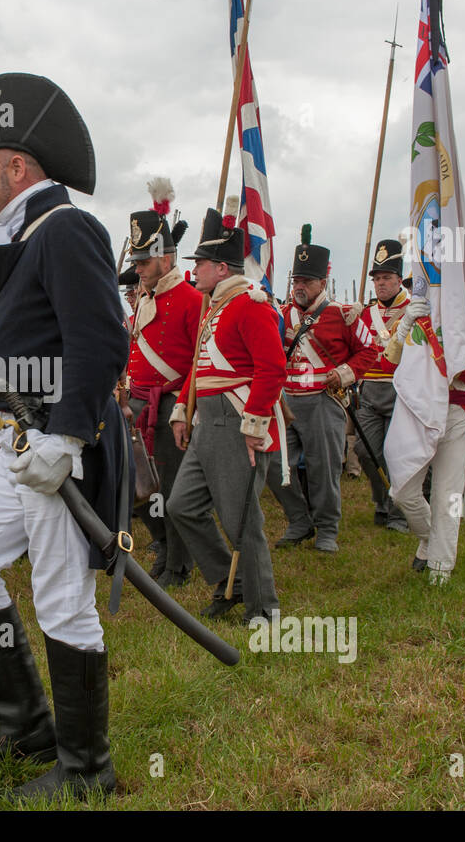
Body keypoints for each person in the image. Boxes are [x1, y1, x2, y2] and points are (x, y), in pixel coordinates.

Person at [0, 73, 127, 799]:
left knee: (62, 598)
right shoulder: (29, 237)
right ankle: (29, 728)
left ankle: (86, 771)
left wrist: (68, 438)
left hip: (53, 447)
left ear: (19, 167)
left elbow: (101, 340)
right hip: (19, 448)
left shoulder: (66, 229)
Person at [167, 208, 283, 622]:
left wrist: (254, 423)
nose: (193, 270)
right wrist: (184, 408)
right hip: (206, 423)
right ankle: (226, 580)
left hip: (236, 421)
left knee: (242, 521)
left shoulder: (249, 305)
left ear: (220, 267)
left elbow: (272, 368)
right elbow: (201, 368)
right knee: (182, 506)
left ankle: (263, 607)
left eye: (199, 263)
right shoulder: (213, 306)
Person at [267, 225, 376, 553]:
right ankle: (300, 519)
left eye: (306, 282)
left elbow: (371, 350)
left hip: (322, 401)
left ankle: (327, 527)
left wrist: (345, 373)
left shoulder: (342, 315)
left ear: (322, 283)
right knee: (275, 465)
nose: (299, 287)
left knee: (323, 468)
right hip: (286, 402)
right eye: (296, 281)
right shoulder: (282, 314)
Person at [120, 179, 198, 589]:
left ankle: (180, 564)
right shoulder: (144, 298)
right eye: (136, 262)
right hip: (138, 402)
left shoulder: (191, 300)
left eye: (144, 262)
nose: (137, 269)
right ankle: (163, 546)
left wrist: (182, 407)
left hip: (170, 406)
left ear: (166, 258)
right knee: (143, 488)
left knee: (170, 488)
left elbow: (199, 363)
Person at [385, 297, 465, 586]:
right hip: (416, 411)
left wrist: (440, 348)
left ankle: (441, 567)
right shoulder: (414, 318)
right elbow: (386, 362)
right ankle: (431, 540)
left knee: (449, 495)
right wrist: (405, 328)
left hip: (455, 413)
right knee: (402, 491)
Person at [354, 238, 411, 532]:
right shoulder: (365, 313)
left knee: (397, 454)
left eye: (386, 278)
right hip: (371, 391)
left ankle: (398, 512)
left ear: (399, 279)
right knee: (365, 451)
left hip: (402, 390)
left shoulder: (414, 310)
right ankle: (381, 499)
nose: (380, 284)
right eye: (376, 279)